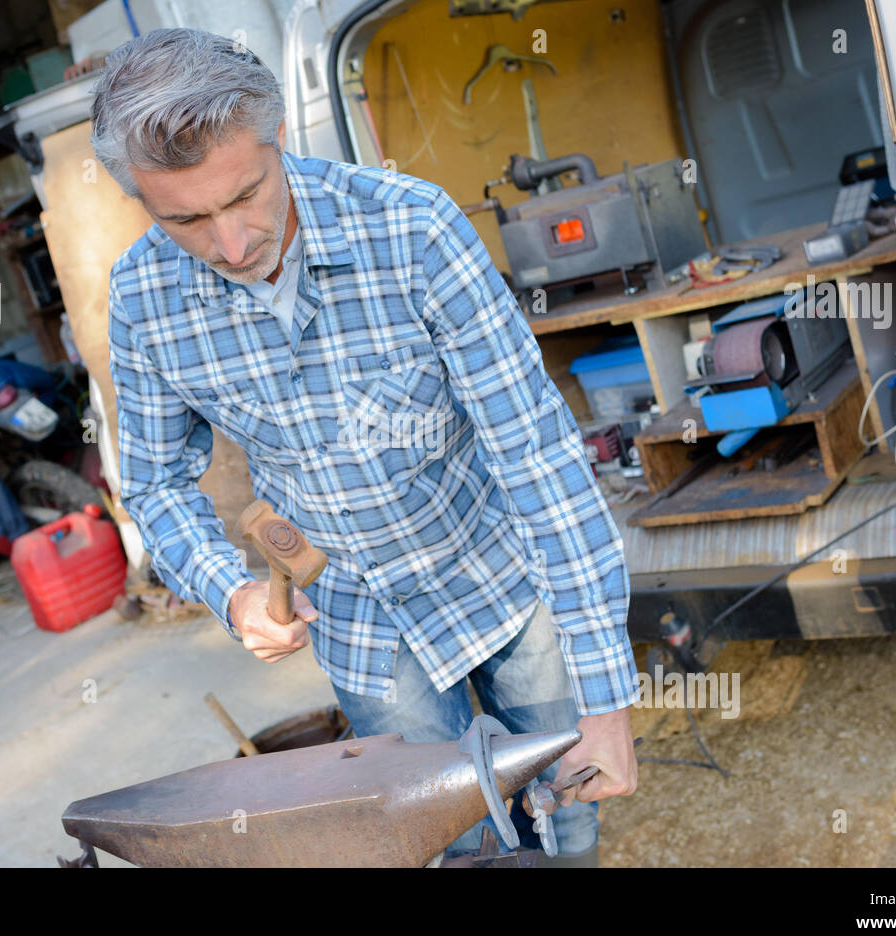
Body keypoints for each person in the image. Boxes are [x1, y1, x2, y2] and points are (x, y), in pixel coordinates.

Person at [93, 27, 639, 865]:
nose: (233, 245)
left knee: (563, 818)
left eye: (247, 195)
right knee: (449, 843)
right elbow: (158, 485)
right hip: (364, 626)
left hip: (500, 577)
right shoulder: (140, 300)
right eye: (188, 220)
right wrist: (229, 593)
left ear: (278, 139)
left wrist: (604, 696)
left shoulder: (413, 230)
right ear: (140, 200)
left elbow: (538, 457)